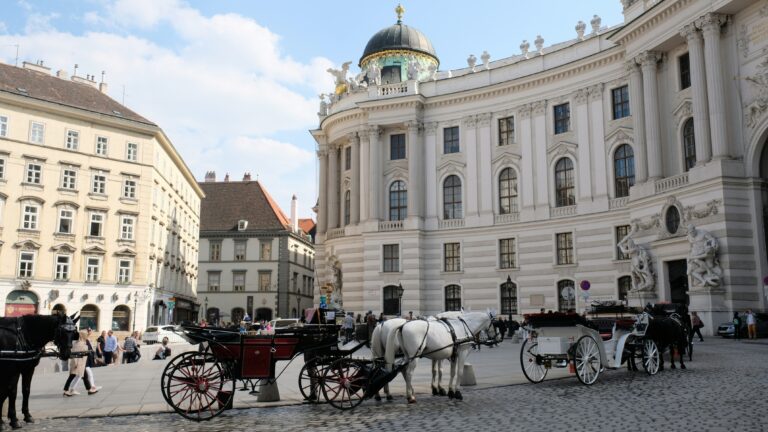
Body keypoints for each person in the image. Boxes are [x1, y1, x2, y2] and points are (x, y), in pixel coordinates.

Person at [63, 331, 100, 396]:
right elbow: (74, 355)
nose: (86, 336)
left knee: (84, 376)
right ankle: (66, 390)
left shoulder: (80, 343)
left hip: (81, 364)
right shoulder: (79, 344)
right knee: (72, 376)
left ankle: (89, 390)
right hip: (78, 364)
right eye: (85, 335)